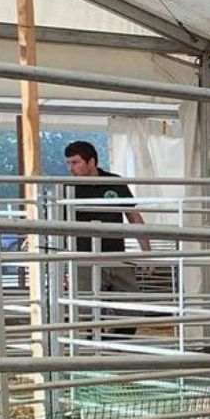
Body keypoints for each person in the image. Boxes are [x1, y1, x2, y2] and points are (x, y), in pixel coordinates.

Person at [63, 140, 151, 339]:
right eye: (69, 163)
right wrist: (65, 264)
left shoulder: (114, 182)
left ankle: (115, 343)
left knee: (132, 308)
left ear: (91, 161)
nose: (71, 168)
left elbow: (133, 215)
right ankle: (97, 349)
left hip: (115, 254)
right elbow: (60, 228)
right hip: (84, 257)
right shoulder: (68, 188)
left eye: (75, 162)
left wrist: (147, 251)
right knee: (88, 312)